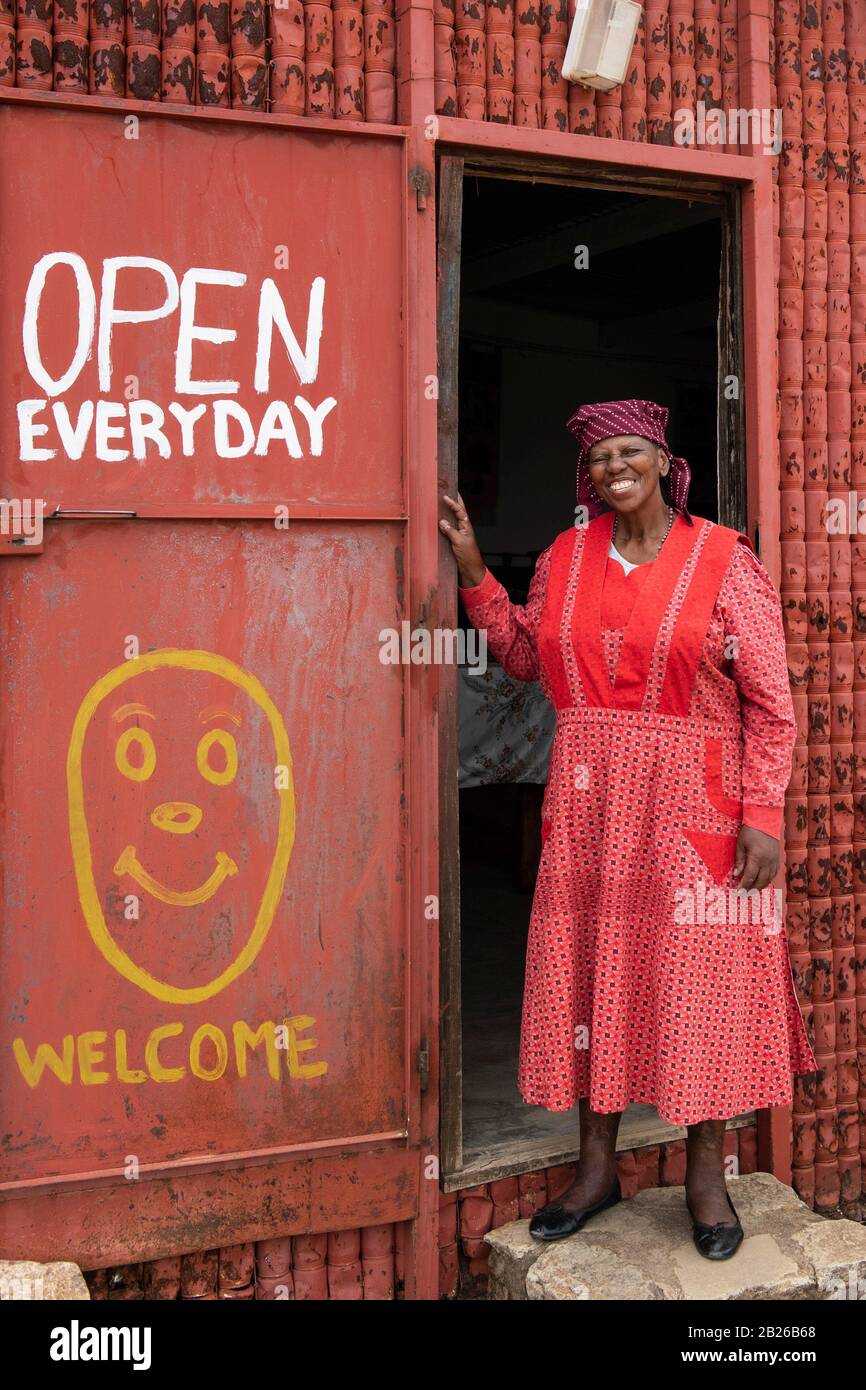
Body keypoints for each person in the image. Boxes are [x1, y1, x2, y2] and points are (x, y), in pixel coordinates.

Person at [440, 398, 817, 1261]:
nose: (614, 469)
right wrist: (471, 568)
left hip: (702, 812)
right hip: (589, 808)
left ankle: (705, 1179)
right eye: (599, 459)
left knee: (701, 988)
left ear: (660, 461)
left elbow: (772, 703)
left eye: (627, 454)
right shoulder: (564, 559)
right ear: (589, 477)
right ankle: (597, 1171)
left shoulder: (724, 558)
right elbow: (530, 660)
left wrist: (763, 815)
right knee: (595, 977)